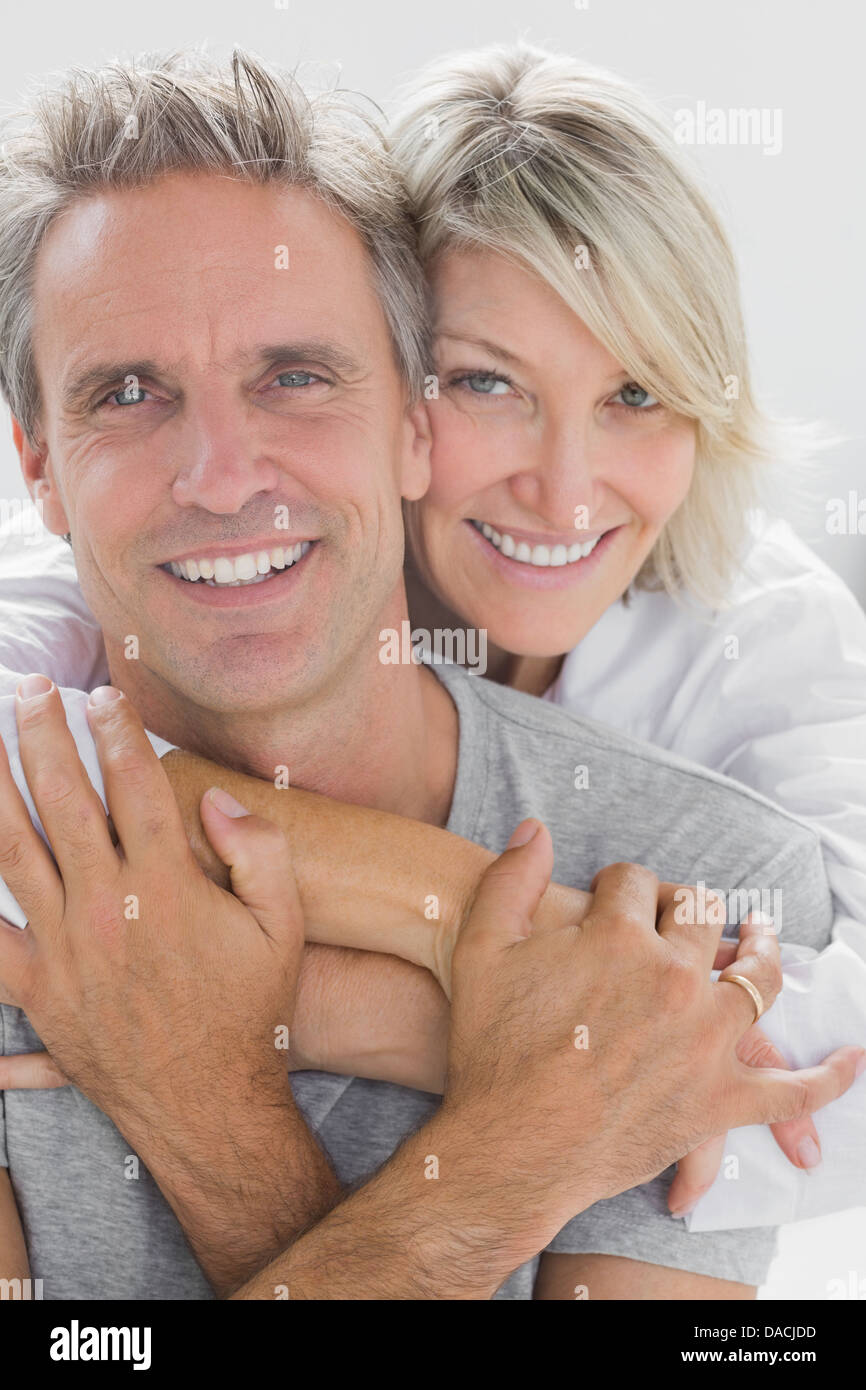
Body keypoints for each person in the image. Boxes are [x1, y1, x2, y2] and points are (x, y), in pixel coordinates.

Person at [0, 49, 861, 1302]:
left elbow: (798, 1064)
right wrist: (521, 1027)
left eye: (293, 375)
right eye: (127, 393)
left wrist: (234, 1051)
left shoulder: (709, 836)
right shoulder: (38, 822)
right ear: (36, 467)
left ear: (401, 421)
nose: (224, 473)